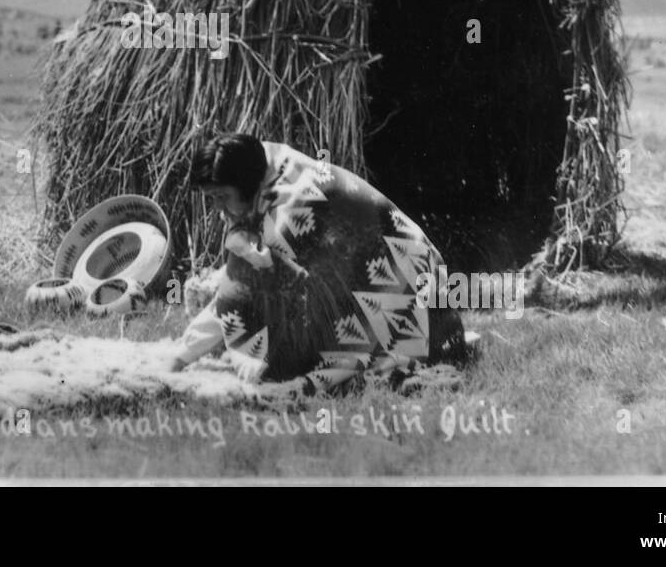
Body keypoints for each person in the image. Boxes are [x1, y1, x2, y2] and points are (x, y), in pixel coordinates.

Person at [168, 133, 464, 388]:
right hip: (402, 271)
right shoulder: (266, 163)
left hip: (416, 288)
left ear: (245, 183)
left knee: (295, 361)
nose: (218, 208)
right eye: (211, 198)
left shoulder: (292, 205)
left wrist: (182, 355)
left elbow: (239, 288)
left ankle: (396, 350)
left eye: (222, 196)